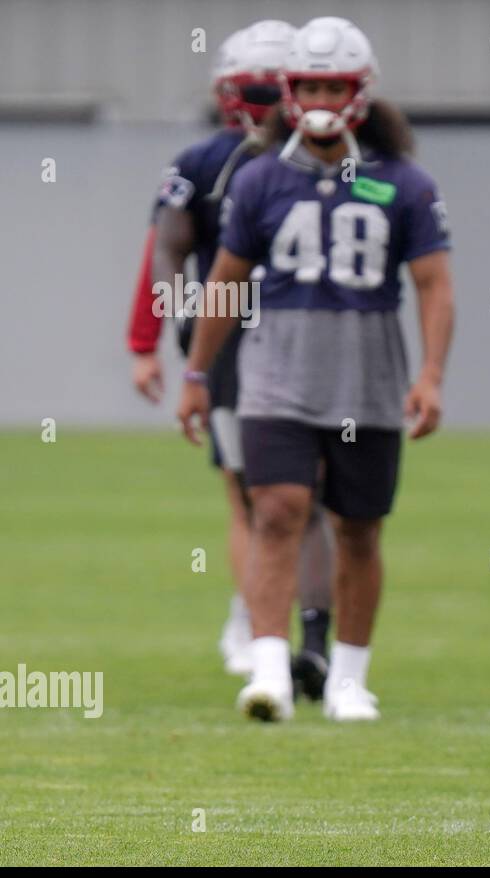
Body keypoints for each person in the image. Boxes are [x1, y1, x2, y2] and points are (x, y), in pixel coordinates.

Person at [176, 17, 454, 722]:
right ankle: (269, 667)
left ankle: (348, 677)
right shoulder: (264, 176)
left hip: (367, 382)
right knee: (275, 511)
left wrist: (431, 376)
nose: (323, 95)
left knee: (358, 527)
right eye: (311, 84)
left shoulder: (405, 182)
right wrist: (198, 374)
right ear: (289, 92)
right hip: (278, 376)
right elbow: (225, 282)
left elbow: (433, 286)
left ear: (360, 92)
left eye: (335, 83)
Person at [125, 21, 336, 695]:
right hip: (231, 345)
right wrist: (168, 330)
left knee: (313, 499)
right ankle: (253, 618)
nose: (266, 102)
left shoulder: (331, 159)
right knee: (251, 494)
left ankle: (308, 638)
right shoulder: (200, 163)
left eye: (277, 88)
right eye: (255, 88)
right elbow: (163, 250)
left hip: (314, 339)